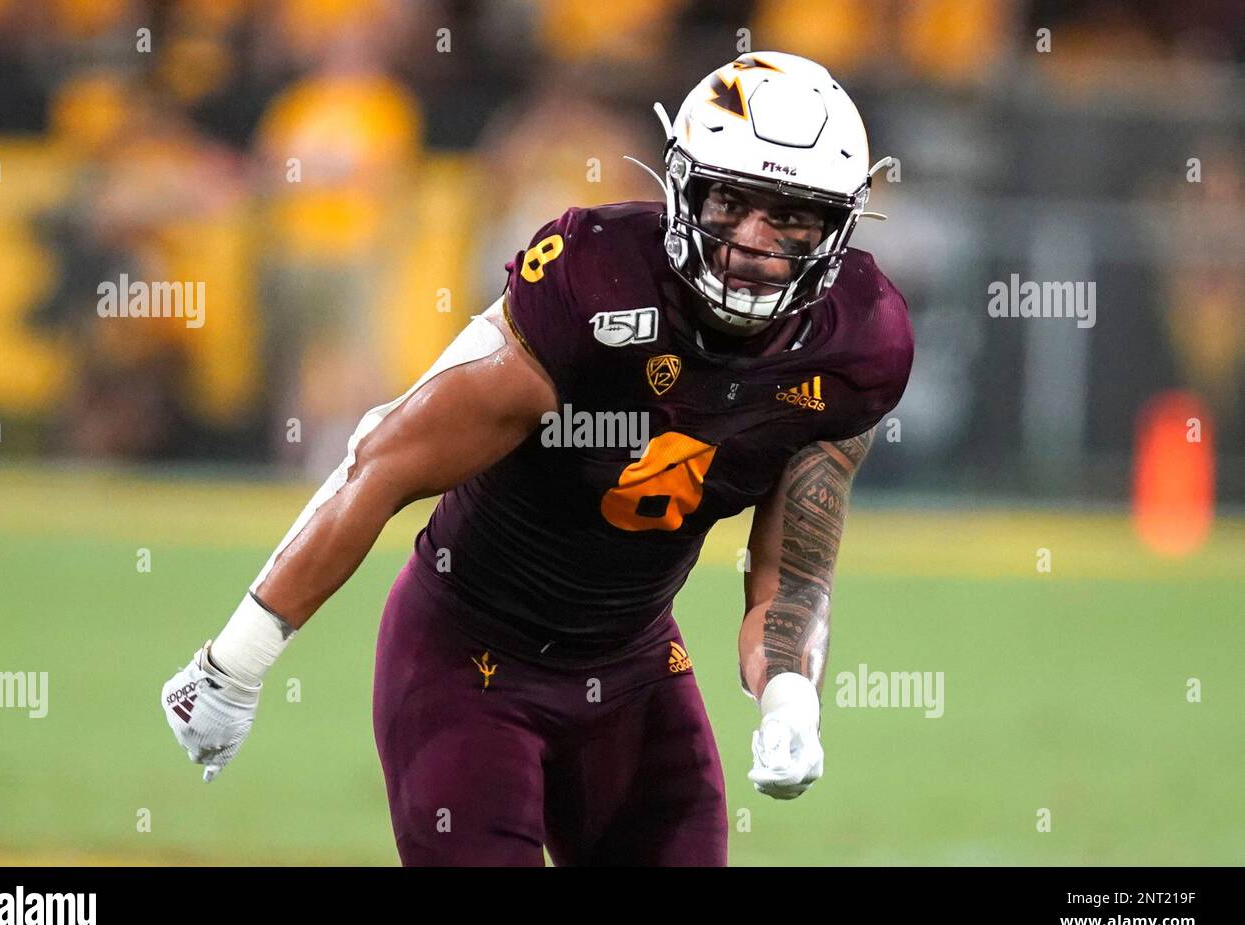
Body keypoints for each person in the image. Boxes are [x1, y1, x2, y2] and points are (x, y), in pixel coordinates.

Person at [161, 51, 914, 866]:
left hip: (633, 668)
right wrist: (235, 661)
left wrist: (791, 696)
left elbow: (792, 567)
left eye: (791, 216)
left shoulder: (856, 344)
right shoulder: (595, 282)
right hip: (465, 662)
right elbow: (383, 464)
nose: (749, 243)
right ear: (683, 187)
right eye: (729, 201)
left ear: (839, 224)